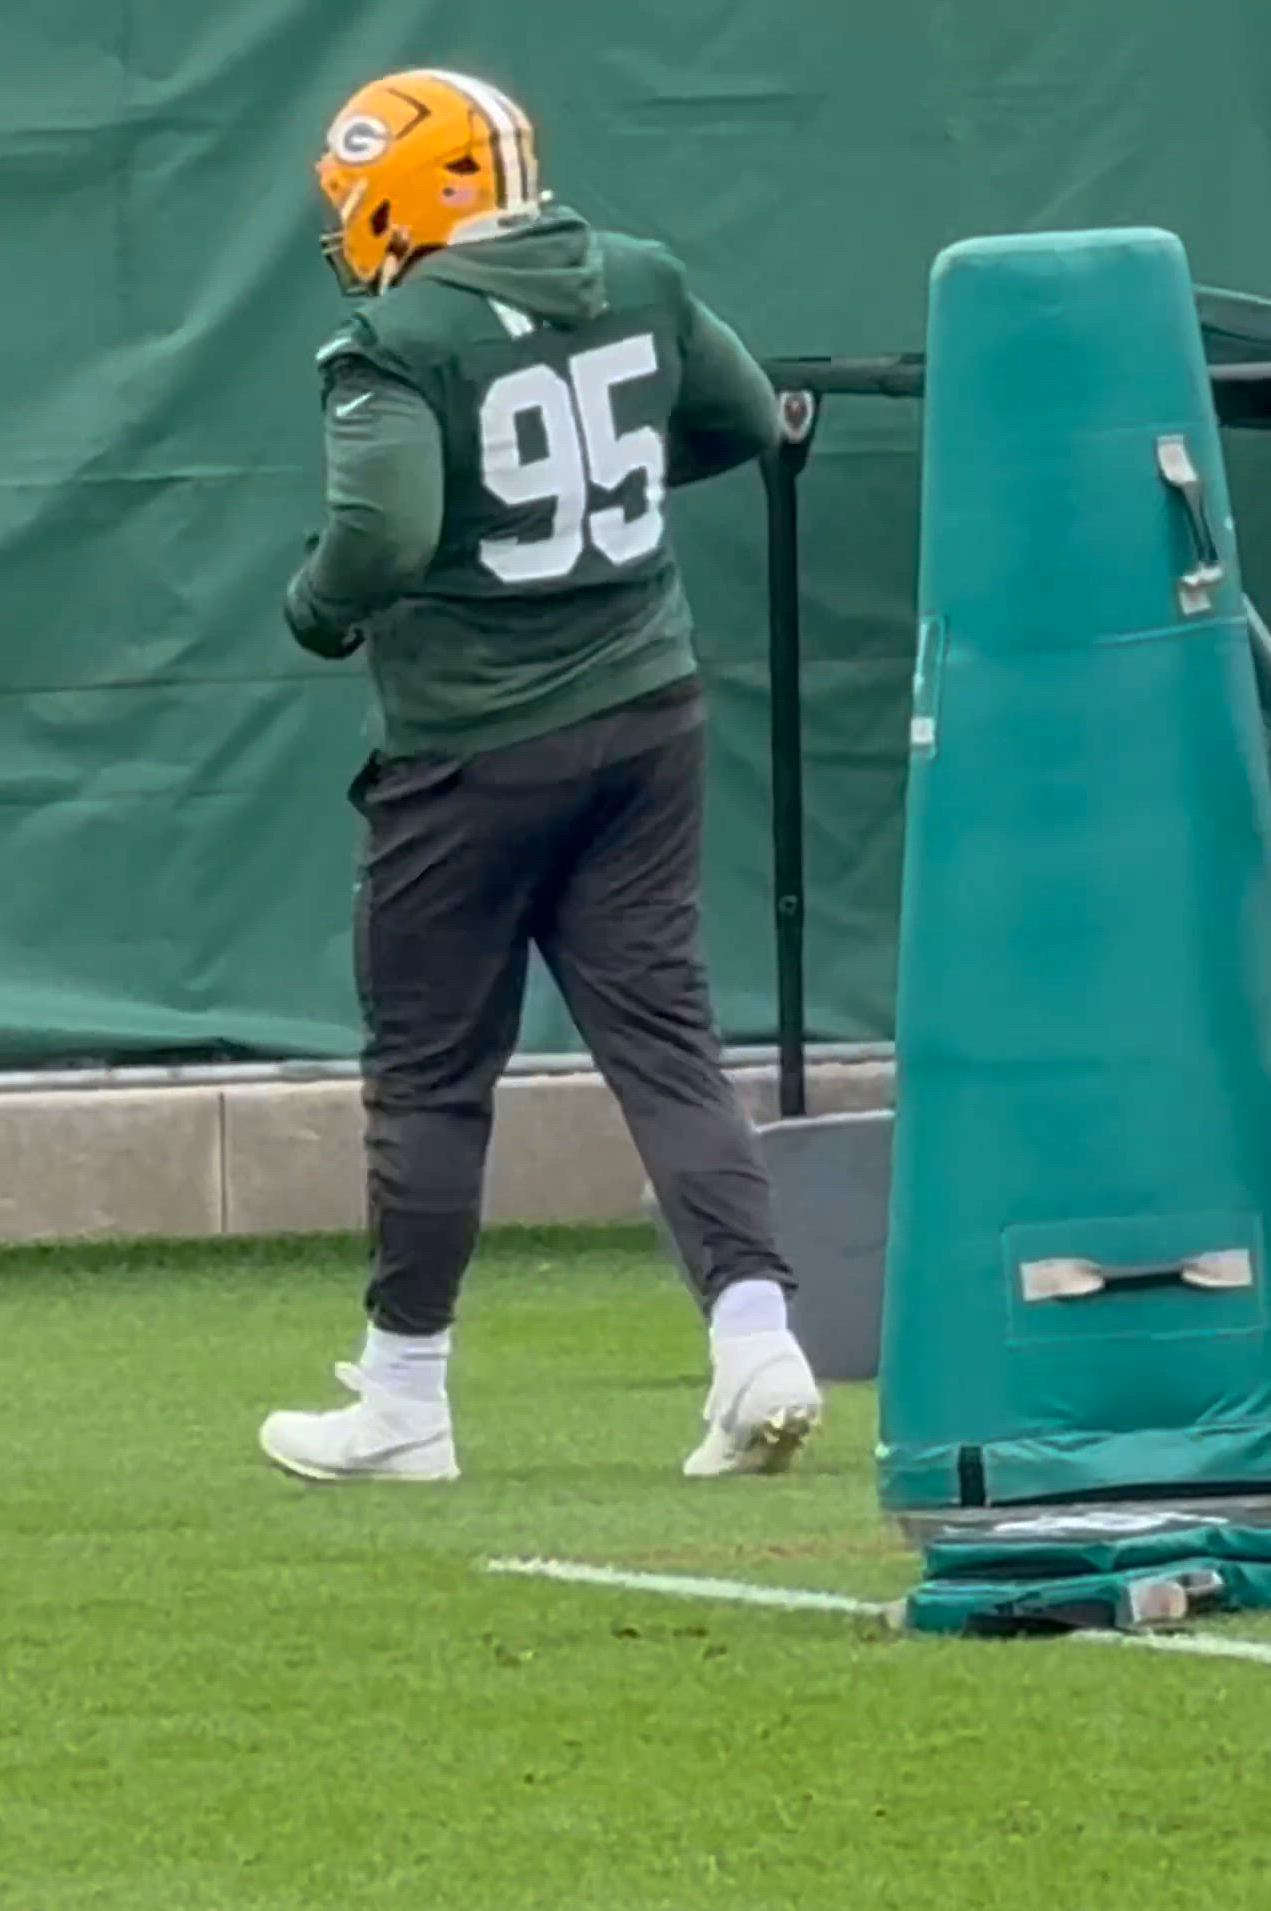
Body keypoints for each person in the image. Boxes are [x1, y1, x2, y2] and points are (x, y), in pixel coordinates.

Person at [259, 70, 820, 1486]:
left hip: (472, 746)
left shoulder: (404, 338)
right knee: (666, 1040)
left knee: (436, 1076)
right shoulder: (638, 278)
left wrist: (317, 610)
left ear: (411, 189)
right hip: (647, 710)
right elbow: (750, 417)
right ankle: (758, 1343)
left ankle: (404, 1401)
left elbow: (381, 535)